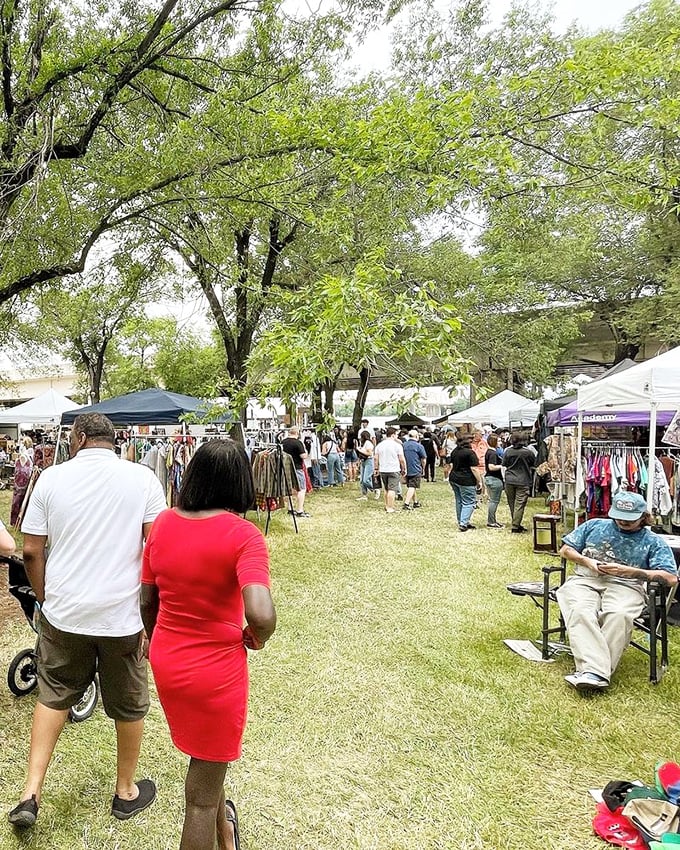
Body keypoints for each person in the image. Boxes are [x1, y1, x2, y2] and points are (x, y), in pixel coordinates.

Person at [8, 413, 167, 828]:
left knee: (53, 694)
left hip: (65, 612)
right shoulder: (144, 480)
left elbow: (30, 551)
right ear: (113, 440)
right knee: (129, 703)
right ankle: (126, 791)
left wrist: (44, 598)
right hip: (122, 615)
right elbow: (159, 548)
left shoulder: (51, 479)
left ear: (77, 438)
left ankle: (30, 793)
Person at [140, 440, 276, 850]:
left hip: (168, 660)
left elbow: (147, 599)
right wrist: (259, 637)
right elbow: (262, 613)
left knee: (205, 758)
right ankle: (216, 829)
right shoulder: (244, 536)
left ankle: (225, 834)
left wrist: (155, 636)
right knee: (199, 799)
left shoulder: (163, 523)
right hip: (215, 671)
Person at [557, 491, 677, 692]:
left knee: (618, 614)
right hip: (586, 578)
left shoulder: (653, 541)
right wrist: (587, 561)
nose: (622, 522)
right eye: (619, 517)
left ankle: (592, 672)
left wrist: (632, 571)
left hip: (627, 585)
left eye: (629, 519)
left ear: (643, 517)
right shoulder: (595, 525)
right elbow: (565, 549)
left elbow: (671, 578)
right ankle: (597, 673)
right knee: (579, 609)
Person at [502, 432, 536, 533]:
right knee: (519, 504)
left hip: (509, 480)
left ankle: (515, 522)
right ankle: (516, 525)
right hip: (523, 480)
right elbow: (533, 464)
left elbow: (504, 464)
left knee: (512, 503)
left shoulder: (507, 452)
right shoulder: (528, 453)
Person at [448, 433, 483, 531]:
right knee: (469, 502)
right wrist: (479, 481)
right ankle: (463, 523)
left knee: (459, 501)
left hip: (454, 478)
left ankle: (462, 521)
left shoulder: (455, 451)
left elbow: (451, 464)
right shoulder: (470, 453)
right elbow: (474, 469)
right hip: (466, 480)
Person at [373, 427, 406, 513]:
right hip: (394, 469)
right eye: (396, 435)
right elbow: (401, 459)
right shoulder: (397, 445)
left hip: (383, 469)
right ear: (393, 435)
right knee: (392, 489)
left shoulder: (379, 445)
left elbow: (376, 458)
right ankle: (390, 507)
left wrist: (376, 468)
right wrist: (404, 468)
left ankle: (387, 505)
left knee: (386, 488)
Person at [281, 427, 310, 518]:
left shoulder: (283, 442)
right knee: (301, 489)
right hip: (297, 468)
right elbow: (303, 456)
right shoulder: (298, 443)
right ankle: (299, 510)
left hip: (286, 468)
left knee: (289, 489)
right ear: (297, 433)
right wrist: (307, 449)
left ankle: (290, 509)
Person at [402, 430, 426, 511]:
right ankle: (406, 503)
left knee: (411, 486)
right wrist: (423, 468)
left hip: (405, 468)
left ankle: (415, 502)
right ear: (416, 436)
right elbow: (423, 459)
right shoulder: (419, 446)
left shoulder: (403, 445)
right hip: (415, 468)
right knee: (412, 486)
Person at [484, 434, 504, 528]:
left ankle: (492, 520)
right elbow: (491, 467)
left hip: (489, 478)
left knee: (493, 501)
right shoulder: (493, 453)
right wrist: (502, 466)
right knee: (494, 501)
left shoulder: (489, 452)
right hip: (494, 478)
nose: (500, 442)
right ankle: (491, 521)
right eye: (499, 441)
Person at [355, 429, 375, 501]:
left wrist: (359, 449)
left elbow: (369, 453)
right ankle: (364, 495)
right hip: (363, 461)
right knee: (361, 480)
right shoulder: (363, 444)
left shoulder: (368, 443)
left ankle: (374, 488)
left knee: (366, 479)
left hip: (369, 461)